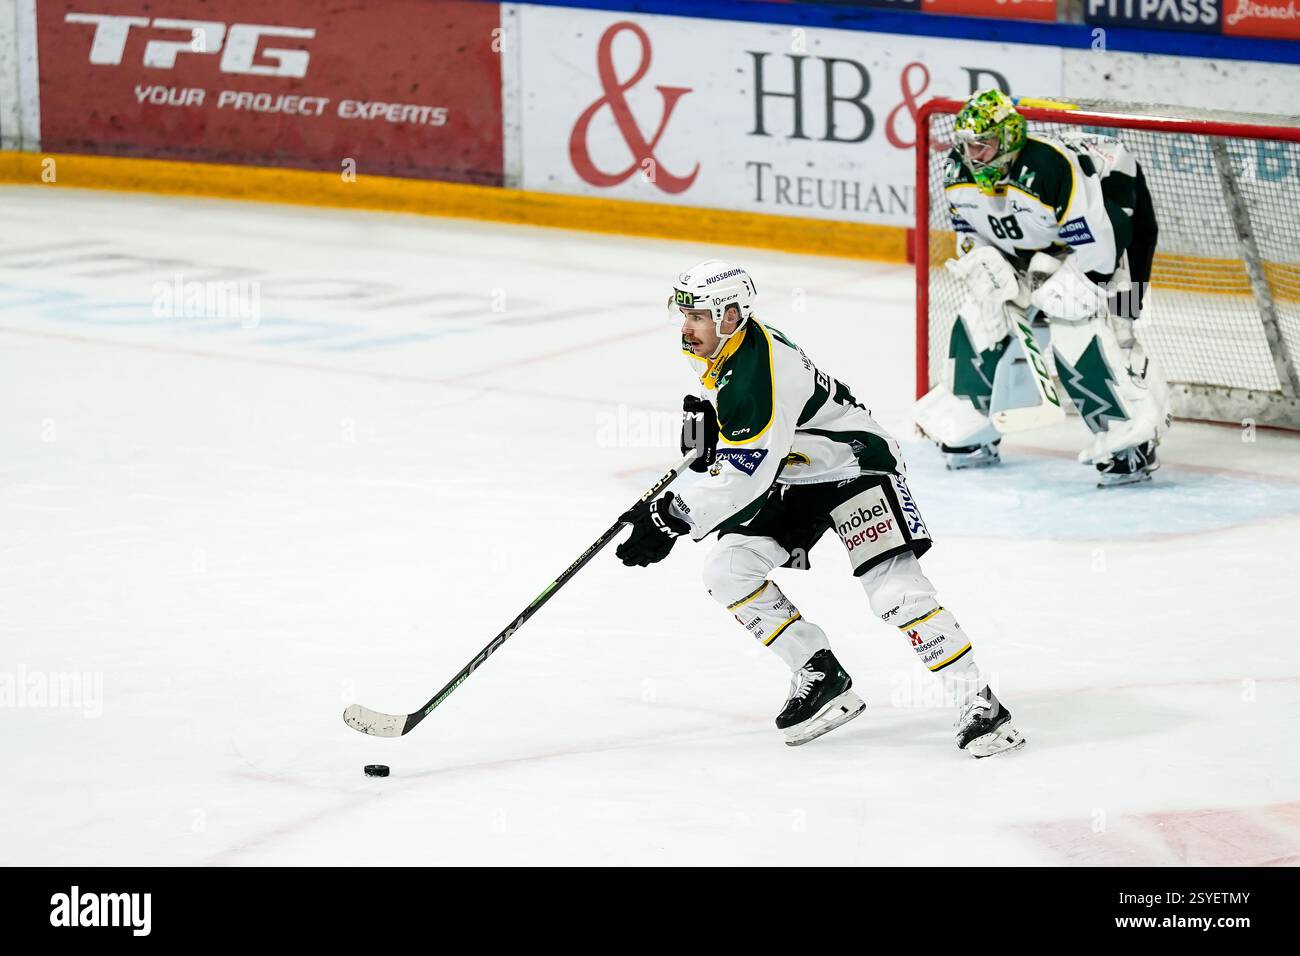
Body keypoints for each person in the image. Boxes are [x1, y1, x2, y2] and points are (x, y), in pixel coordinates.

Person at [615, 259, 1025, 757]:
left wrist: (668, 516)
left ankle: (980, 704)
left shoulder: (755, 372)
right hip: (797, 471)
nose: (686, 327)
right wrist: (713, 432)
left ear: (730, 315)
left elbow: (746, 476)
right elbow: (749, 448)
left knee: (894, 592)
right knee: (729, 569)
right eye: (684, 314)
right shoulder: (725, 347)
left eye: (698, 316)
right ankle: (820, 672)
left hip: (854, 466)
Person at [916, 88, 1170, 487]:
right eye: (968, 146)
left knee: (1090, 324)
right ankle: (975, 427)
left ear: (1011, 139)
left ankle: (1131, 442)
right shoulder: (957, 172)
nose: (973, 155)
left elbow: (1101, 251)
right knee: (980, 313)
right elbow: (972, 237)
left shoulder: (1051, 168)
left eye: (984, 145)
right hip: (1034, 245)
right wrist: (990, 268)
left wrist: (1065, 281)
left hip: (1115, 226)